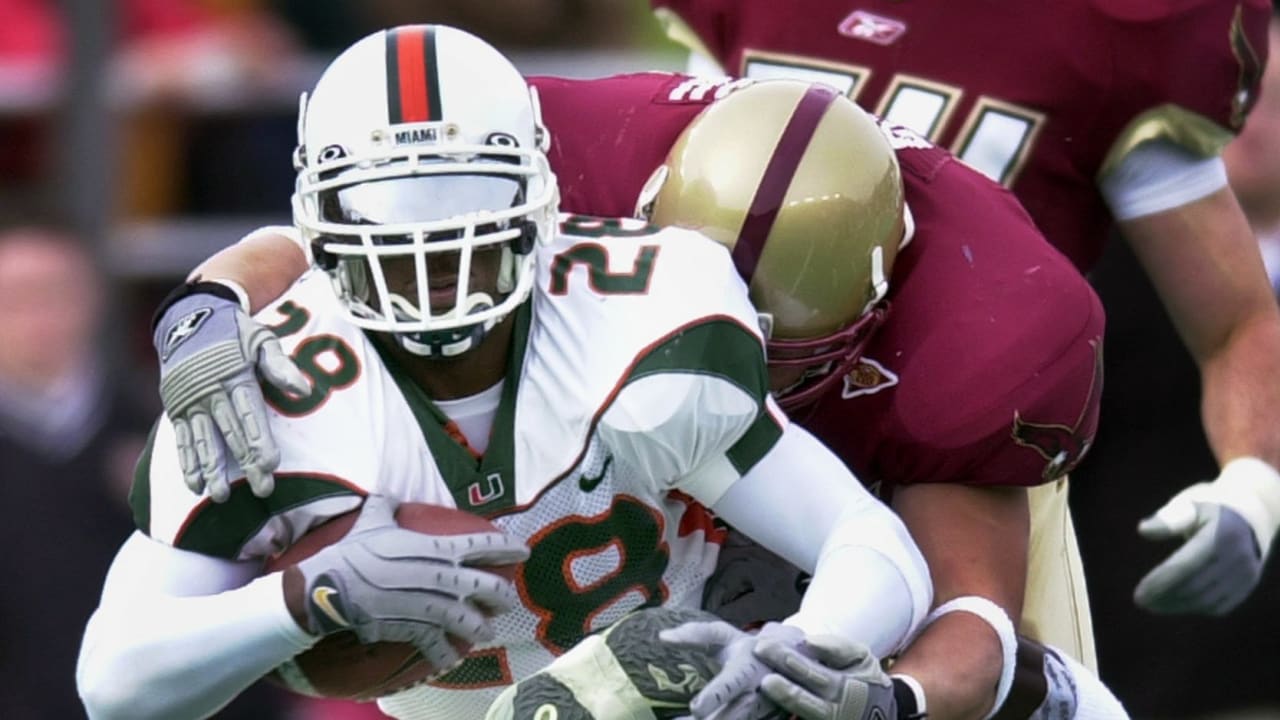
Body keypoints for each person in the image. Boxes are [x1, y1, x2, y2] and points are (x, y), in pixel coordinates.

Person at [150, 66, 1125, 718]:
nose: (729, 363)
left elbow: (975, 615)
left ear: (875, 310)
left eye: (778, 359)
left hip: (849, 484)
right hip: (598, 489)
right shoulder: (559, 149)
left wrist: (887, 699)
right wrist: (215, 300)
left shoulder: (999, 327)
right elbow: (357, 212)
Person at [648, 0, 1280, 622]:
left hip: (956, 472)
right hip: (709, 425)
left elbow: (1237, 323)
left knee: (976, 679)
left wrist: (1254, 486)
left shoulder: (1110, 36)